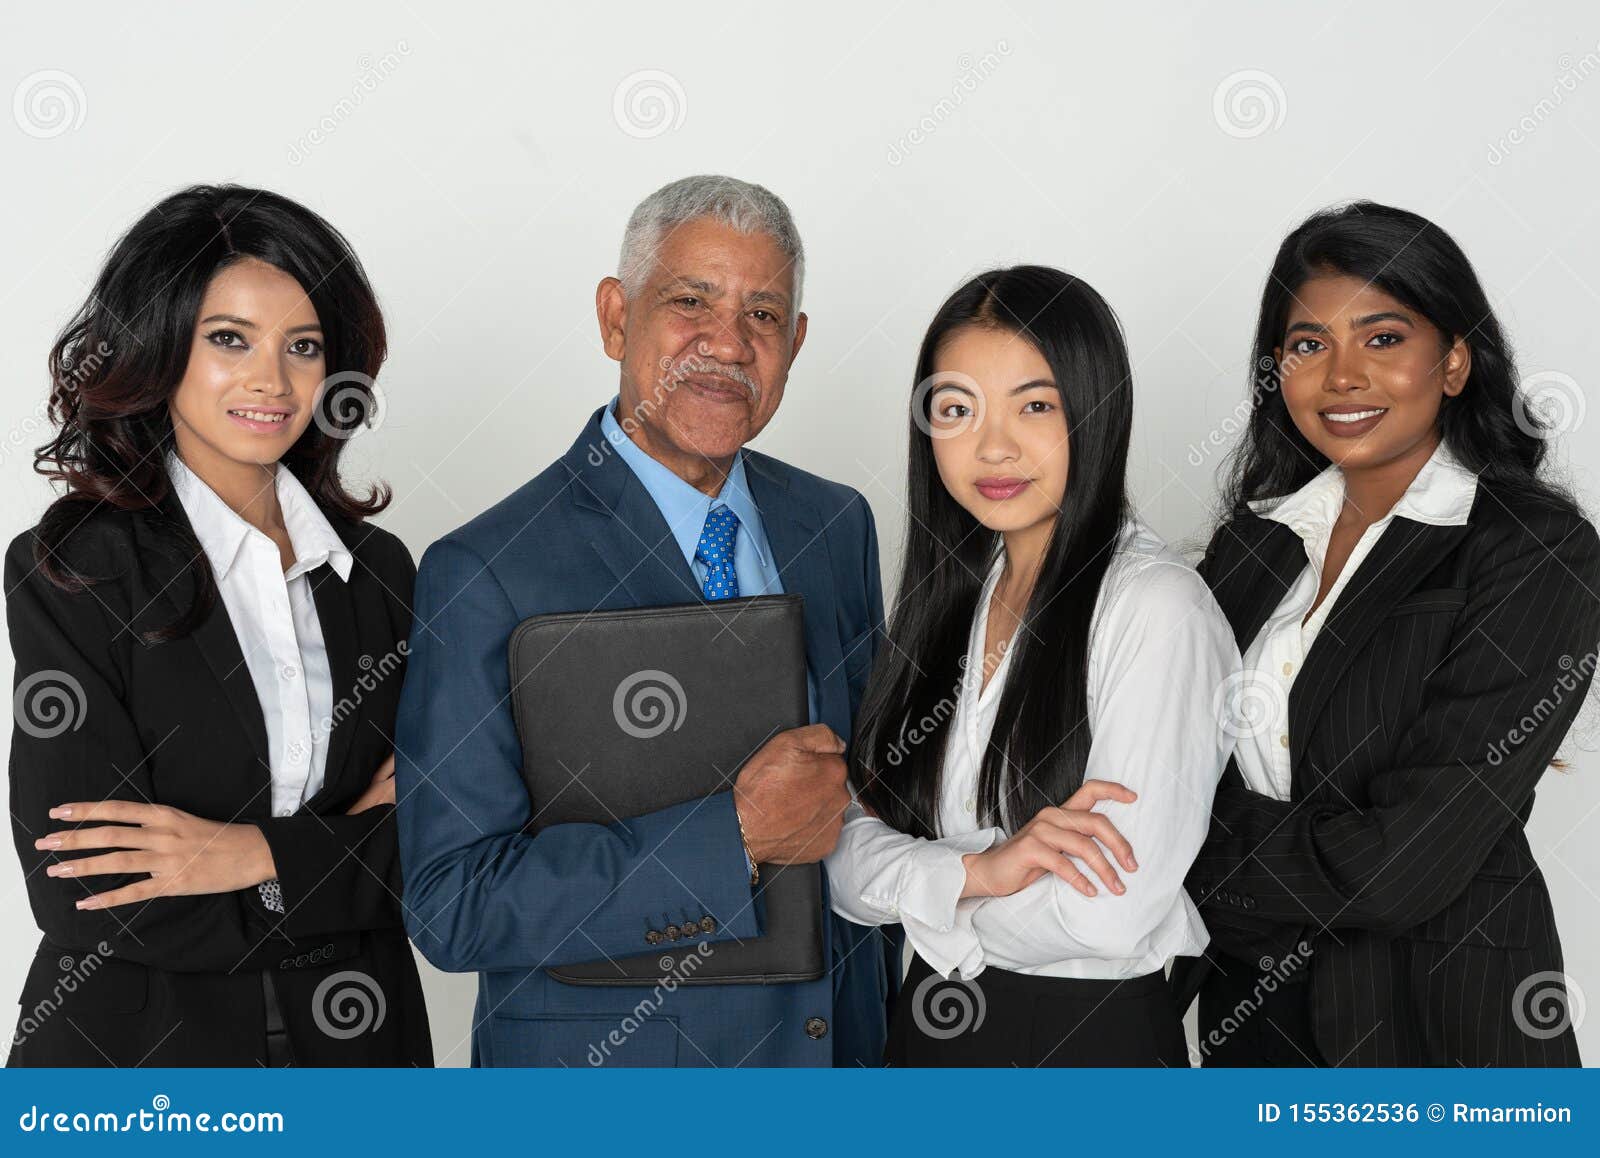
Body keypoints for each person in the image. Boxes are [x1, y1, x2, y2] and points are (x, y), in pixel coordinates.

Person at [394, 175, 894, 1067]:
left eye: (764, 315)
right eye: (690, 301)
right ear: (616, 318)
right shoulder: (487, 570)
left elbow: (868, 806)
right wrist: (731, 835)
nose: (727, 344)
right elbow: (452, 904)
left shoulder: (834, 524)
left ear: (797, 343)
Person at [6, 185, 431, 1067]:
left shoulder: (379, 573)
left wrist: (243, 854)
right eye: (229, 339)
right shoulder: (75, 564)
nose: (272, 382)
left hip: (362, 1046)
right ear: (162, 347)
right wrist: (330, 853)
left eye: (303, 348)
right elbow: (88, 885)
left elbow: (434, 850)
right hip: (138, 1057)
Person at [1173, 201, 1599, 1067]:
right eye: (1306, 345)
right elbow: (1164, 771)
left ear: (1453, 362)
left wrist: (1189, 857)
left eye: (1382, 338)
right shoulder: (1248, 548)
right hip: (1251, 1022)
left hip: (1443, 1027)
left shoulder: (1533, 549)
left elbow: (1410, 859)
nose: (1341, 376)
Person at [824, 266, 1239, 1066]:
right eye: (956, 409)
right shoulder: (949, 602)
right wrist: (983, 872)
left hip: (1083, 1044)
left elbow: (1108, 917)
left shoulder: (1156, 610)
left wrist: (925, 888)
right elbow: (838, 857)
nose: (994, 445)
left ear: (1097, 409)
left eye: (1036, 405)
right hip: (927, 1033)